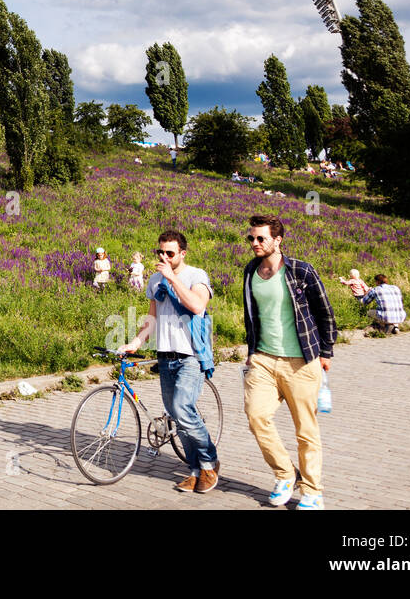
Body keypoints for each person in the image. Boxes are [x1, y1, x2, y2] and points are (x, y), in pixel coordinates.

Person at [241, 213, 336, 510]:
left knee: (305, 430)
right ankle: (285, 473)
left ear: (277, 240)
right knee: (257, 417)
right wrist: (252, 351)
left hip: (301, 361)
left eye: (261, 238)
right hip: (264, 360)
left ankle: (312, 491)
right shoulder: (250, 271)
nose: (254, 243)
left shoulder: (300, 271)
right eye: (251, 238)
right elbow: (251, 315)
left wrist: (326, 352)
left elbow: (325, 312)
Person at [118, 230, 219, 494]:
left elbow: (197, 305)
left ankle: (210, 460)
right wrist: (136, 342)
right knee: (177, 415)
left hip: (191, 356)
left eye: (170, 253)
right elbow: (152, 317)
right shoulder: (154, 280)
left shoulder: (196, 276)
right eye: (160, 252)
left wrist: (172, 278)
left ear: (182, 254)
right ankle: (196, 471)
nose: (164, 257)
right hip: (166, 356)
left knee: (182, 408)